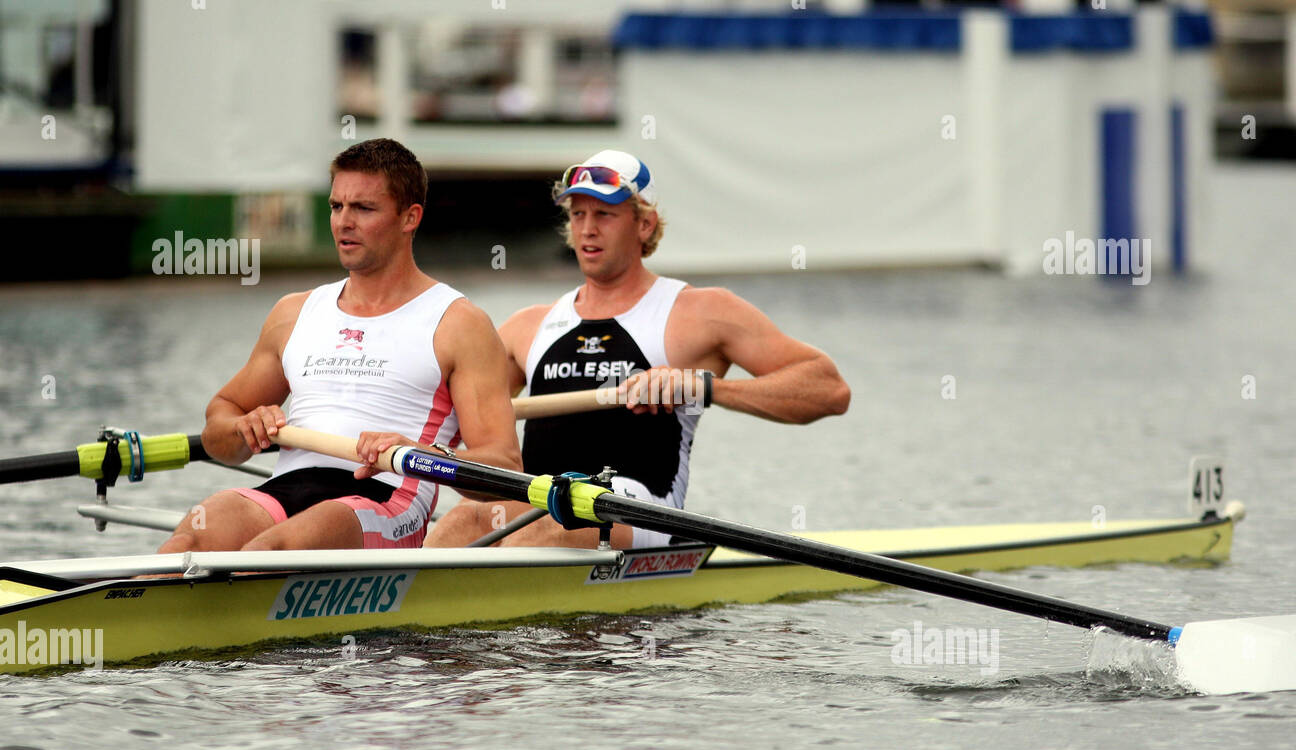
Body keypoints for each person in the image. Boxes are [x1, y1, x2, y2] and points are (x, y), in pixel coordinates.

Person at [419, 149, 851, 549]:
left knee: (553, 525)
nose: (587, 228)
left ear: (644, 224)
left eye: (605, 214)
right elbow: (455, 416)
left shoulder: (701, 311)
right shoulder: (528, 326)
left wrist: (703, 388)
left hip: (639, 508)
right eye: (578, 214)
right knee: (466, 517)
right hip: (543, 499)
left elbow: (829, 389)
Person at [158, 138, 521, 553]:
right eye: (336, 207)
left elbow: (505, 466)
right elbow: (218, 425)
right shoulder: (293, 313)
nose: (343, 222)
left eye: (363, 209)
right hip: (285, 489)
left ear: (409, 217)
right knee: (190, 540)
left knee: (272, 550)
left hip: (387, 498)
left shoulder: (459, 324)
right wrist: (244, 429)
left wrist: (425, 453)